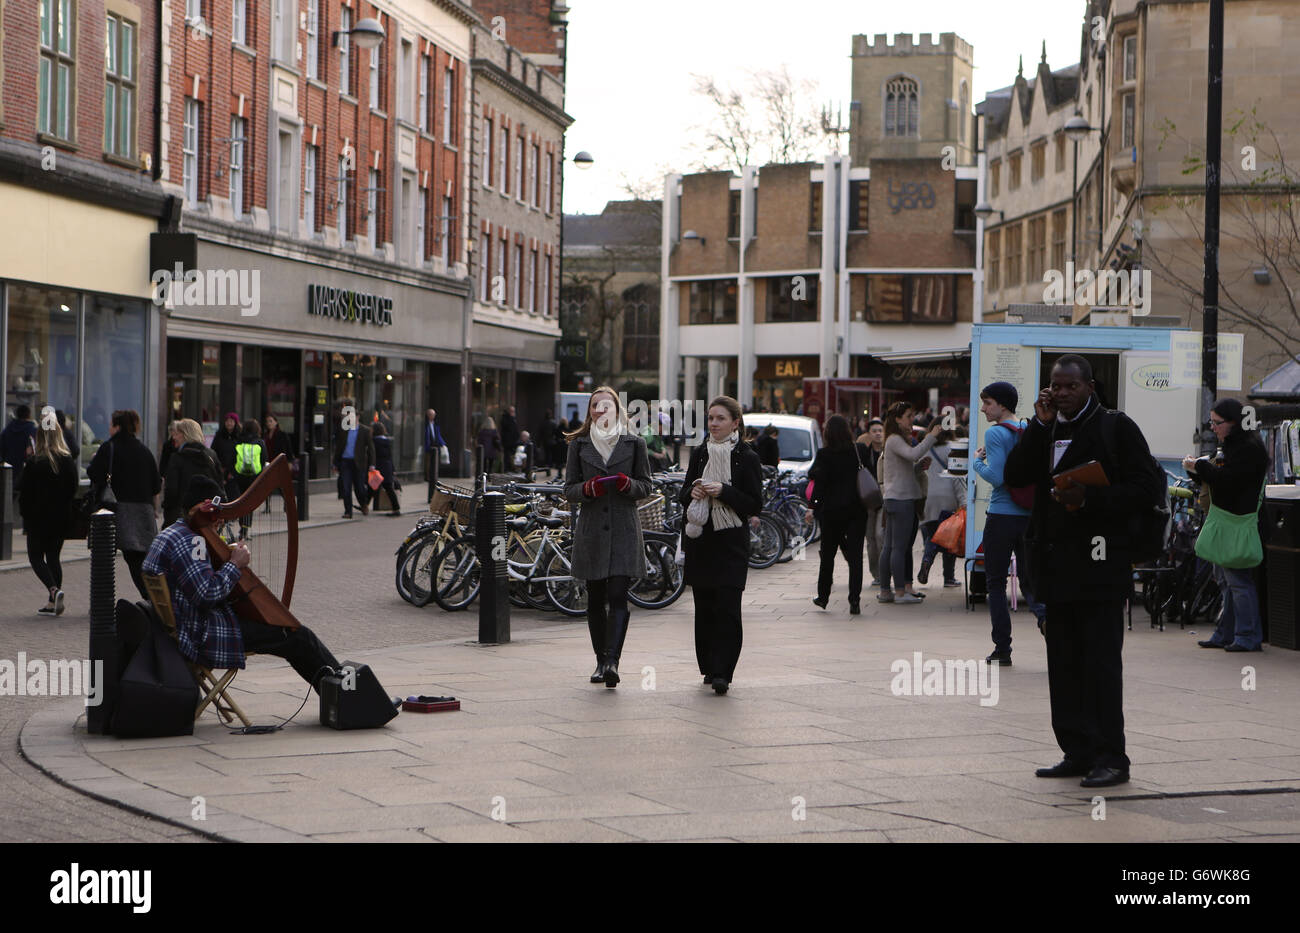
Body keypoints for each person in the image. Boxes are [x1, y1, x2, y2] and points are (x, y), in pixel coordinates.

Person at [1004, 354, 1157, 788]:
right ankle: (1077, 749)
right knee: (1064, 663)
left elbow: (1145, 487)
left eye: (1071, 386)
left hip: (1099, 562)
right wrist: (1037, 425)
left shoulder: (1114, 427)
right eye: (1056, 385)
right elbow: (1015, 474)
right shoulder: (1047, 426)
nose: (1062, 393)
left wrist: (1090, 500)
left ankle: (1112, 757)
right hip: (1055, 565)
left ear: (1090, 386)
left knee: (1101, 664)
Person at [143, 474, 342, 692]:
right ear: (203, 509)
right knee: (297, 636)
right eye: (218, 514)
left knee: (290, 634)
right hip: (201, 634)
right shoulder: (191, 541)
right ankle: (344, 692)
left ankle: (335, 691)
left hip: (182, 627)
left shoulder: (171, 533)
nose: (221, 521)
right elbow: (206, 595)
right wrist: (234, 565)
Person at [563, 387, 653, 688]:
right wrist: (588, 489)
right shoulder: (578, 445)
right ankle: (600, 661)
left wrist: (628, 484)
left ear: (617, 410)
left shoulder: (635, 443)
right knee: (595, 599)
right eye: (595, 406)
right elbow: (569, 490)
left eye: (606, 406)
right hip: (591, 533)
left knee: (617, 595)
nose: (600, 410)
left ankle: (613, 661)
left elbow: (646, 486)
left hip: (624, 530)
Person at [678, 397, 763, 694]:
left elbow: (754, 503)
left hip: (730, 544)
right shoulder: (701, 452)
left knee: (728, 608)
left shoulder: (747, 457)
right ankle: (709, 666)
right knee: (704, 609)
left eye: (720, 418)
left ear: (735, 422)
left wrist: (724, 491)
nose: (713, 423)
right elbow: (683, 495)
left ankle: (723, 672)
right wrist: (696, 490)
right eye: (711, 418)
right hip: (702, 541)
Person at [972, 382, 1047, 665]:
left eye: (988, 402)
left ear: (1002, 405)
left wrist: (977, 463)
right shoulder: (1028, 430)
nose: (983, 408)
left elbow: (999, 477)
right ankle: (1045, 620)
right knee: (1030, 581)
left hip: (1002, 516)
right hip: (1029, 516)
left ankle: (1002, 648)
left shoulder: (995, 433)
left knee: (995, 583)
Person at [1186, 398, 1268, 652]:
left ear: (1233, 422)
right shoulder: (1233, 446)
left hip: (1235, 521)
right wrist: (1198, 469)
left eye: (1217, 422)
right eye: (1211, 422)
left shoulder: (1247, 449)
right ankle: (1228, 632)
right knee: (1226, 580)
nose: (1213, 428)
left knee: (1238, 581)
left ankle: (1246, 635)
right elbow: (1219, 479)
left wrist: (1199, 466)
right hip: (1227, 519)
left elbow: (1227, 482)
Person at [86, 409, 160, 600]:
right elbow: (156, 484)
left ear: (117, 426)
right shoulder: (144, 451)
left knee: (105, 558)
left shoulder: (109, 448)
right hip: (142, 511)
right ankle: (152, 597)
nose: (109, 428)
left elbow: (94, 473)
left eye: (111, 424)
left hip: (115, 510)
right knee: (139, 559)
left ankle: (103, 601)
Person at [878, 401, 941, 604]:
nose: (911, 420)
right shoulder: (895, 439)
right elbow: (913, 453)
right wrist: (932, 436)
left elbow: (901, 469)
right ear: (897, 419)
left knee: (889, 547)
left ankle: (886, 591)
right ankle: (899, 592)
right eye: (908, 416)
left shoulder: (894, 440)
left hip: (894, 497)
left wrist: (917, 468)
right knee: (898, 548)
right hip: (901, 499)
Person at [806, 415, 870, 614]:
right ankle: (855, 601)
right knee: (856, 557)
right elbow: (870, 474)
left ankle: (823, 597)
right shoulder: (859, 450)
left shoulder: (824, 454)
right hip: (857, 510)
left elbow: (819, 483)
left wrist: (812, 507)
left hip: (831, 512)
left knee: (828, 556)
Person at [18, 412, 78, 615]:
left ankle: (54, 591)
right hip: (61, 517)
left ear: (40, 436)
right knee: (53, 556)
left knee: (35, 557)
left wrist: (25, 514)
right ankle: (54, 602)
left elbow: (24, 492)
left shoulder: (35, 462)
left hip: (38, 518)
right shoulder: (67, 460)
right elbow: (73, 488)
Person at [918, 428, 961, 589]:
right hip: (948, 498)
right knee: (949, 537)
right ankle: (949, 578)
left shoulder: (924, 450)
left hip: (928, 497)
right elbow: (957, 477)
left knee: (932, 535)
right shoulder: (953, 449)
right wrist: (962, 501)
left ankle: (927, 560)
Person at [162, 419, 223, 527]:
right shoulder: (211, 455)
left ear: (186, 435)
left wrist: (167, 509)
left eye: (177, 434)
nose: (174, 437)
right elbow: (219, 485)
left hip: (181, 515)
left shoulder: (177, 458)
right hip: (207, 515)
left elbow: (171, 490)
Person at [856, 419, 887, 586]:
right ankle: (876, 574)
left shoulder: (887, 453)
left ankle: (883, 572)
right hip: (868, 501)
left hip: (883, 500)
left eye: (880, 430)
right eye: (874, 430)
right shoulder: (863, 454)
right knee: (870, 540)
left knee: (880, 535)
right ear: (868, 434)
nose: (877, 433)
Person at [332, 401, 374, 519]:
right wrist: (335, 462)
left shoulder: (365, 431)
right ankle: (348, 511)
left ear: (358, 417)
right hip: (346, 462)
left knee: (360, 488)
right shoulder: (344, 430)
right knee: (346, 488)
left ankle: (364, 504)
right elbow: (339, 447)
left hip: (359, 463)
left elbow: (371, 449)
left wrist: (372, 464)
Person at [232, 419, 267, 540]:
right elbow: (264, 459)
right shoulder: (260, 442)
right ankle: (245, 529)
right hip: (254, 477)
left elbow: (233, 458)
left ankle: (241, 525)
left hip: (240, 476)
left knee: (241, 500)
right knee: (249, 503)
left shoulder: (238, 441)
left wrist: (233, 473)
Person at [2, 404, 38, 495]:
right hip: (24, 470)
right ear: (29, 415)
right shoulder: (32, 430)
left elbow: (2, 446)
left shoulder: (8, 428)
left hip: (8, 467)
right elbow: (33, 451)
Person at [372, 421, 401, 515]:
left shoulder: (374, 441)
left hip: (379, 467)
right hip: (387, 467)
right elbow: (389, 456)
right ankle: (396, 508)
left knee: (373, 486)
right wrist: (393, 469)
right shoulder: (386, 441)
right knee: (387, 487)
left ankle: (396, 508)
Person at [210, 413, 241, 499]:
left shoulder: (239, 436)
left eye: (231, 421)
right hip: (221, 469)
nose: (229, 423)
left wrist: (233, 471)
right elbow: (214, 451)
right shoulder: (219, 435)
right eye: (227, 421)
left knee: (234, 495)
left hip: (235, 470)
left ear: (235, 423)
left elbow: (240, 455)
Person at [422, 409, 446, 504]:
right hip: (427, 446)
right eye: (431, 415)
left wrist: (442, 444)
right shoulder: (425, 424)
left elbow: (438, 435)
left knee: (433, 462)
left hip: (434, 445)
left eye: (433, 415)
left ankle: (432, 477)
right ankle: (428, 477)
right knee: (427, 462)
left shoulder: (435, 424)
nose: (432, 417)